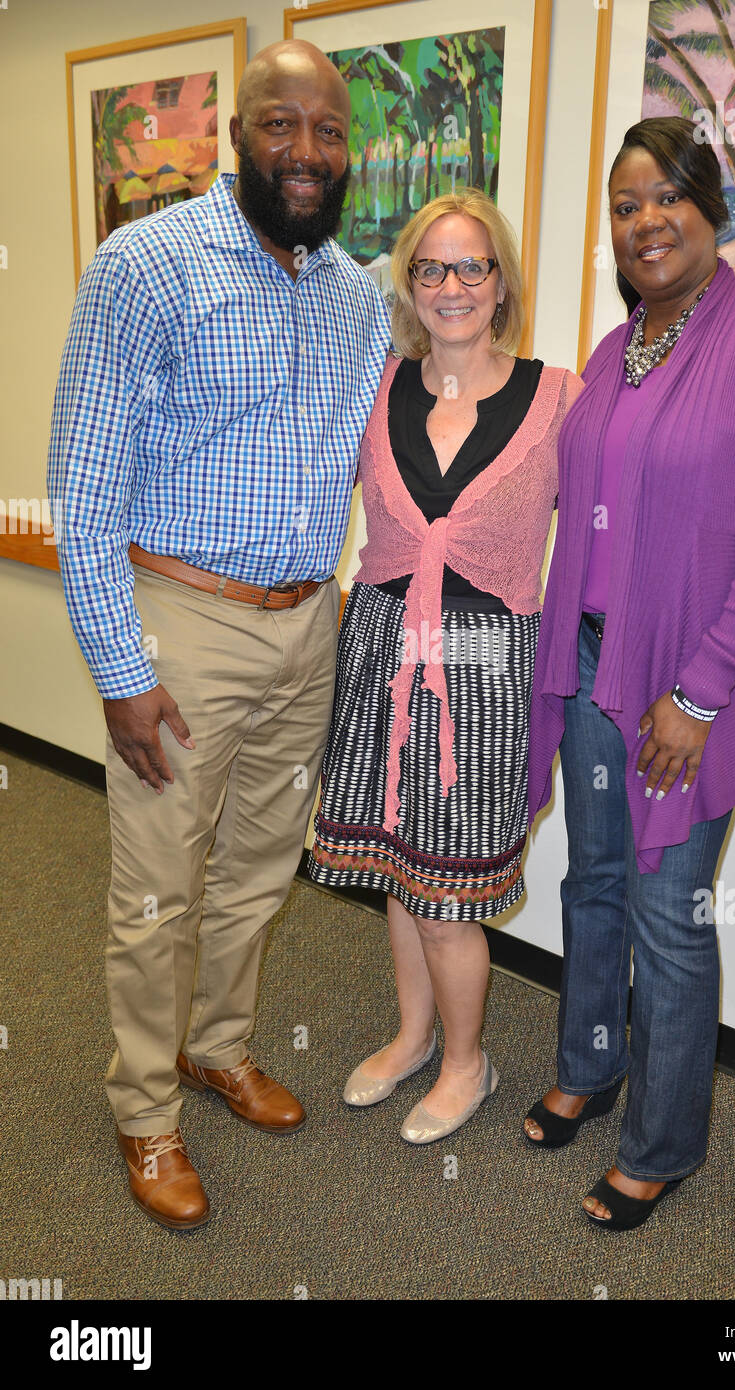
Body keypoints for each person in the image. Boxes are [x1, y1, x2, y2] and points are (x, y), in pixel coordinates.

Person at [46, 40, 391, 1229]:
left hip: (308, 629)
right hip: (181, 626)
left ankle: (219, 1048)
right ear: (239, 134)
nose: (306, 150)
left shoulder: (356, 294)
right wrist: (119, 669)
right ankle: (145, 1110)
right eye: (282, 124)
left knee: (253, 876)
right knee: (157, 891)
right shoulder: (147, 266)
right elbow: (81, 487)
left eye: (329, 131)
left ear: (351, 151)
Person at [525, 117, 735, 1229]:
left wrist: (701, 693)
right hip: (598, 669)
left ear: (708, 206)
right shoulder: (616, 352)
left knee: (667, 913)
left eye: (667, 195)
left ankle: (661, 1142)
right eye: (625, 203)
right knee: (593, 884)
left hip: (688, 689)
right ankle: (592, 1062)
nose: (645, 219)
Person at [309, 190, 582, 1142]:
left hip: (484, 666)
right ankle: (414, 1035)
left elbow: (599, 533)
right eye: (431, 268)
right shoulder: (383, 385)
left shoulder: (557, 396)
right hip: (383, 647)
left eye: (471, 267)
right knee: (398, 871)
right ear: (410, 285)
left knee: (448, 891)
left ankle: (468, 1063)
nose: (451, 286)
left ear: (500, 281)